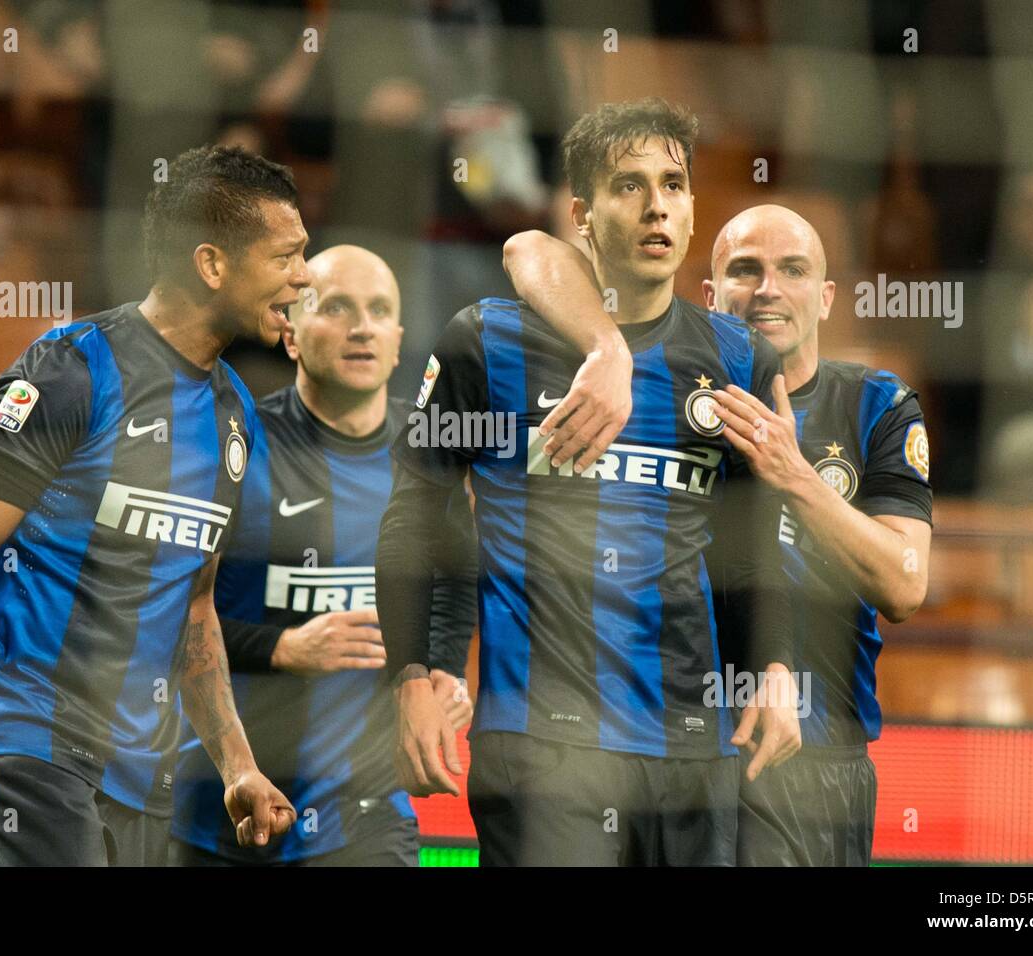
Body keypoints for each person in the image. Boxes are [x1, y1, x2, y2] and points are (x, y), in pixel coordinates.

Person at [376, 98, 799, 867]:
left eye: (673, 184)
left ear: (694, 208)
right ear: (582, 212)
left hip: (692, 747)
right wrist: (411, 672)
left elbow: (749, 546)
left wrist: (772, 665)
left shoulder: (737, 361)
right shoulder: (488, 341)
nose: (656, 206)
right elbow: (417, 513)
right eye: (628, 186)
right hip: (541, 747)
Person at [502, 203, 934, 865]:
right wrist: (606, 346)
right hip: (675, 754)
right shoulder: (651, 387)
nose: (768, 288)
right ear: (708, 294)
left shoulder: (875, 405)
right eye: (745, 270)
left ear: (824, 298)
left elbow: (905, 584)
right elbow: (533, 248)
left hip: (813, 762)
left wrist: (793, 474)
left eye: (792, 270)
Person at [0, 146, 305, 865]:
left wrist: (238, 764)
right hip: (25, 752)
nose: (303, 277)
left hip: (137, 784)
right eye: (286, 257)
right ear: (213, 265)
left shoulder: (234, 414)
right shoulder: (72, 368)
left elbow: (194, 607)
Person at [171, 245, 476, 866]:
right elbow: (168, 611)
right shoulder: (237, 447)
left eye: (379, 311)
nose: (361, 326)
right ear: (291, 334)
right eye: (335, 307)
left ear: (397, 341)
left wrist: (442, 667)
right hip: (223, 808)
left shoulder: (428, 462)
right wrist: (282, 650)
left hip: (364, 814)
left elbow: (454, 580)